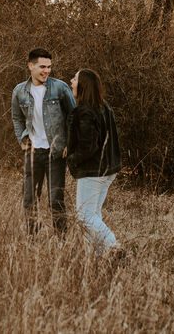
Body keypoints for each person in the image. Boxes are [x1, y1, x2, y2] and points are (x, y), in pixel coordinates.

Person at [11, 47, 77, 234]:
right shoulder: (20, 91)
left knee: (55, 199)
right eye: (42, 67)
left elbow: (74, 116)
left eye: (49, 67)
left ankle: (61, 239)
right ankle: (32, 239)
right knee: (29, 199)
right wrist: (22, 139)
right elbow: (16, 118)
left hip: (55, 152)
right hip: (32, 152)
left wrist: (68, 142)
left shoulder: (60, 88)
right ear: (30, 66)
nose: (46, 71)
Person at [66, 68, 122, 255]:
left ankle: (113, 247)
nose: (71, 81)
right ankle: (97, 255)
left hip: (93, 171)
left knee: (84, 216)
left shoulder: (85, 112)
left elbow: (88, 146)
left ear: (83, 85)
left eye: (75, 79)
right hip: (108, 170)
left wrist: (71, 159)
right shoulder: (104, 107)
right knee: (94, 213)